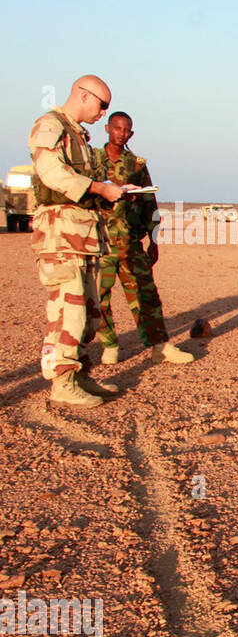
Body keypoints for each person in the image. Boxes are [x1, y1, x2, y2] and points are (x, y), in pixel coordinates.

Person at [28, 75, 129, 407]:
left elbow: (80, 182)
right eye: (102, 106)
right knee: (67, 311)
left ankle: (81, 375)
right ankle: (63, 382)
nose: (103, 115)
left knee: (88, 311)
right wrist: (100, 188)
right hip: (60, 235)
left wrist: (110, 193)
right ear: (84, 96)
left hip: (83, 236)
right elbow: (52, 174)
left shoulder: (79, 136)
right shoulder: (51, 125)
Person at [93, 112, 193, 366]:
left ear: (131, 134)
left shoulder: (136, 165)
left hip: (131, 241)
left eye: (127, 130)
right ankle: (109, 344)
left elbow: (150, 203)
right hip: (100, 241)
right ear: (107, 128)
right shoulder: (92, 161)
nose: (122, 134)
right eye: (117, 128)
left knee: (146, 294)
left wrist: (154, 239)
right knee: (98, 295)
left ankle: (159, 345)